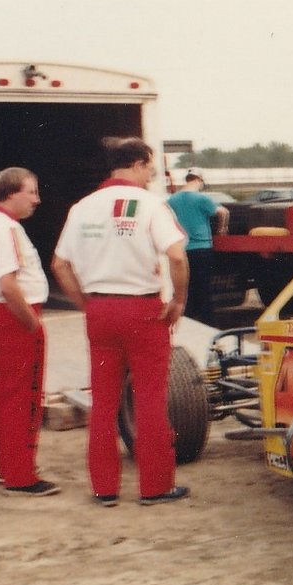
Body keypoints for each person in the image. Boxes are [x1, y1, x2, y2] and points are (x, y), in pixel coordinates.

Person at [52, 137, 191, 506]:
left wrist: (86, 303)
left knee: (103, 402)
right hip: (143, 311)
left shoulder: (82, 207)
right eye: (150, 168)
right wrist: (178, 300)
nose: (151, 176)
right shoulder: (150, 205)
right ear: (139, 163)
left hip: (100, 310)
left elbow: (60, 265)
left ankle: (104, 489)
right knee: (149, 400)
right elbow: (177, 257)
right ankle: (155, 486)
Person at [0, 168, 58, 496]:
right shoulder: (6, 228)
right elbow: (8, 283)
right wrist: (31, 322)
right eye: (31, 192)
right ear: (10, 193)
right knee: (24, 395)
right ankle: (22, 475)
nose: (37, 199)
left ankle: (9, 467)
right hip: (16, 315)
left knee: (7, 393)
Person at [166, 170, 229, 325]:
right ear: (199, 180)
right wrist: (222, 229)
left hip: (182, 249)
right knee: (204, 289)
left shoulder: (172, 200)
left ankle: (187, 323)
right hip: (202, 249)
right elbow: (223, 212)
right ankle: (208, 324)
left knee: (187, 289)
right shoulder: (201, 198)